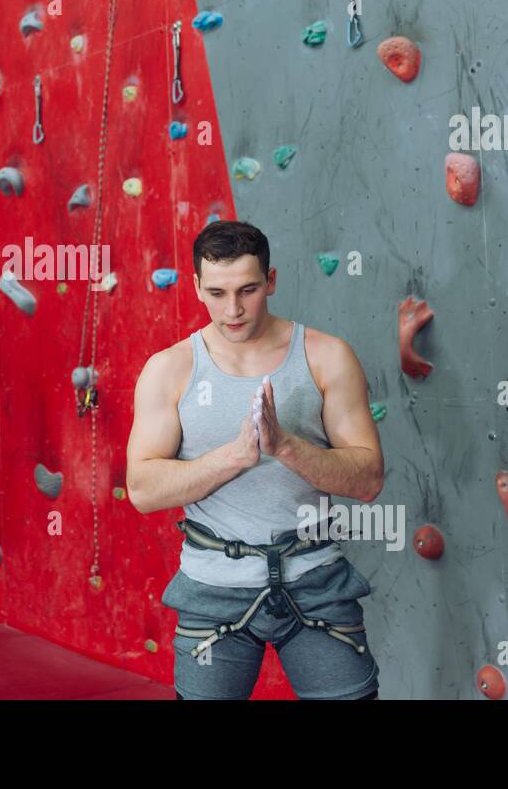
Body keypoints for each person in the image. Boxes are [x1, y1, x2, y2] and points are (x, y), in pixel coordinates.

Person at [126, 220, 384, 700]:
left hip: (315, 578)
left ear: (272, 281)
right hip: (212, 585)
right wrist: (234, 457)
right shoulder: (170, 369)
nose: (233, 309)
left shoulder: (327, 357)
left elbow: (368, 480)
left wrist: (285, 446)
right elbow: (142, 489)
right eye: (218, 292)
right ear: (196, 286)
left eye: (248, 289)